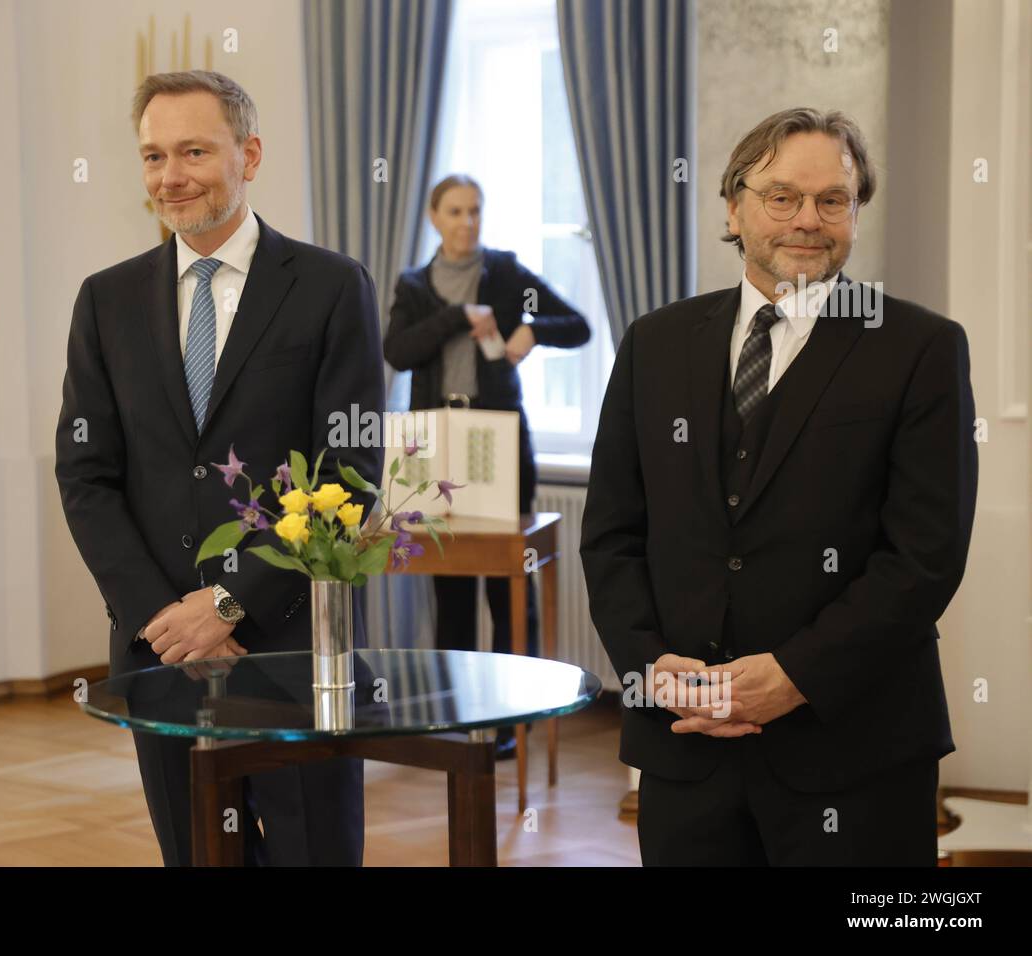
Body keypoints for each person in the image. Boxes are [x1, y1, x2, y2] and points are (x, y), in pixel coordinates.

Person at [579, 107, 978, 865]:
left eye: (833, 199)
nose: (808, 219)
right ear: (734, 208)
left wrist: (795, 677)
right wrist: (649, 667)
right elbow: (611, 534)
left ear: (856, 212)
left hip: (855, 756)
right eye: (782, 196)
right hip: (685, 748)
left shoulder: (920, 347)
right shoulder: (654, 343)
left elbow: (925, 557)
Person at [55, 70, 385, 866]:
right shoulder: (105, 300)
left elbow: (349, 473)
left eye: (194, 151)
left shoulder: (332, 287)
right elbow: (85, 475)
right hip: (160, 655)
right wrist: (163, 619)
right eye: (154, 156)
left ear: (250, 155)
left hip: (292, 648)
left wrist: (232, 602)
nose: (171, 176)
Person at [384, 174, 591, 758]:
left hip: (498, 438)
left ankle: (509, 720)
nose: (467, 221)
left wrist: (532, 330)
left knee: (508, 587)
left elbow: (578, 326)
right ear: (434, 217)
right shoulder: (414, 284)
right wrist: (457, 317)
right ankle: (454, 712)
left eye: (475, 210)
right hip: (435, 441)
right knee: (450, 587)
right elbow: (397, 351)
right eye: (455, 211)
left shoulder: (506, 272)